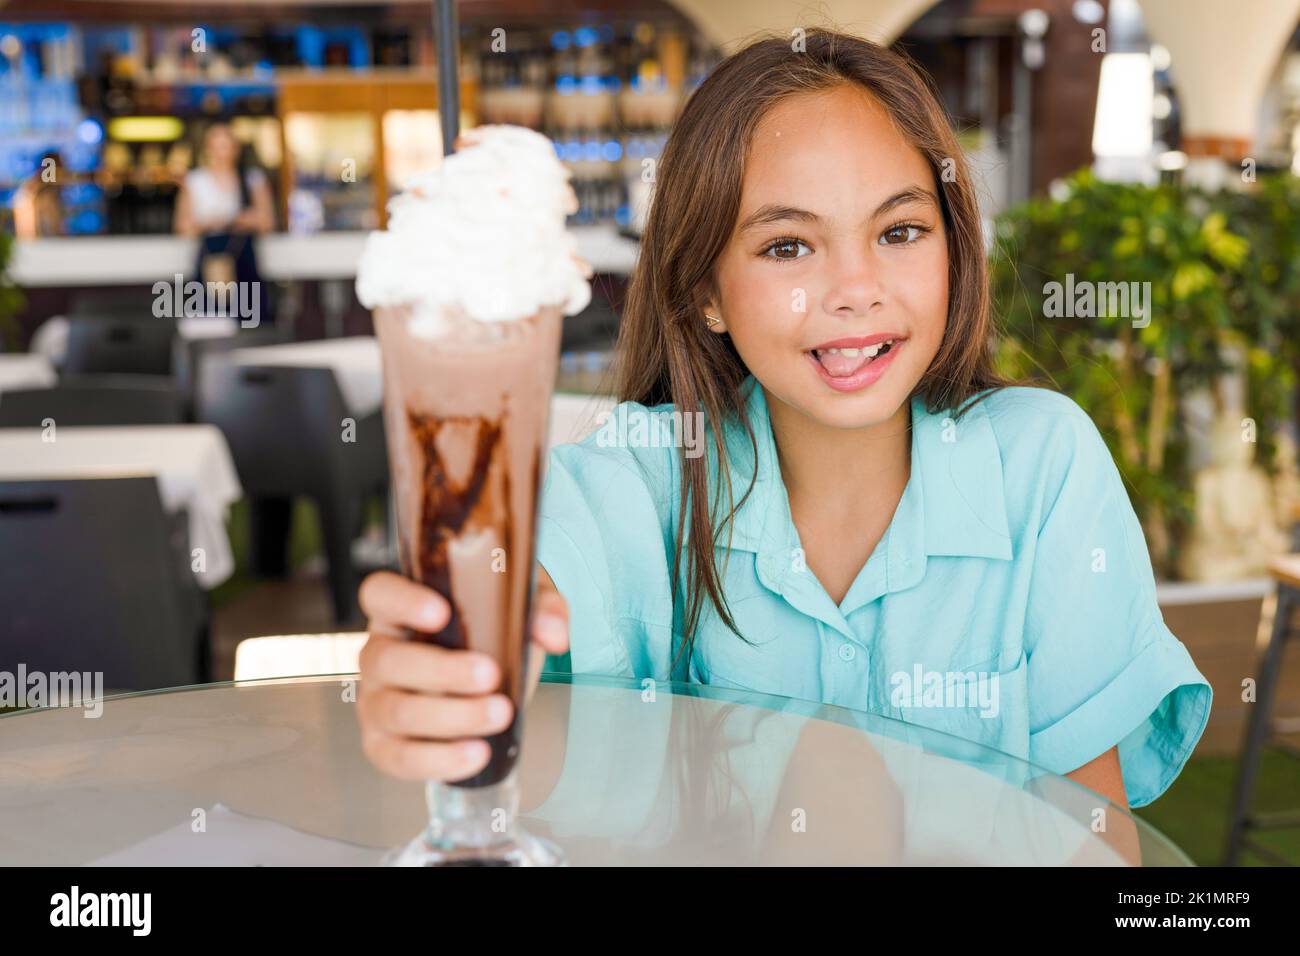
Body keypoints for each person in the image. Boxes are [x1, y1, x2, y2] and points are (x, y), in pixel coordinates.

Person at [355, 31, 1211, 824]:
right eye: (788, 248)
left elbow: (1092, 835)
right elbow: (526, 625)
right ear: (705, 292)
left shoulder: (1042, 465)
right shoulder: (642, 477)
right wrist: (457, 685)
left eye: (900, 231)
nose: (854, 288)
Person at [174, 122, 275, 322]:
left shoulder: (251, 179)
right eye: (217, 146)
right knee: (211, 318)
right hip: (212, 256)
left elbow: (267, 221)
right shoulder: (195, 181)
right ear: (207, 149)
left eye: (227, 145)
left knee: (249, 319)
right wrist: (210, 223)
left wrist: (242, 220)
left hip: (242, 254)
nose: (222, 152)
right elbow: (182, 226)